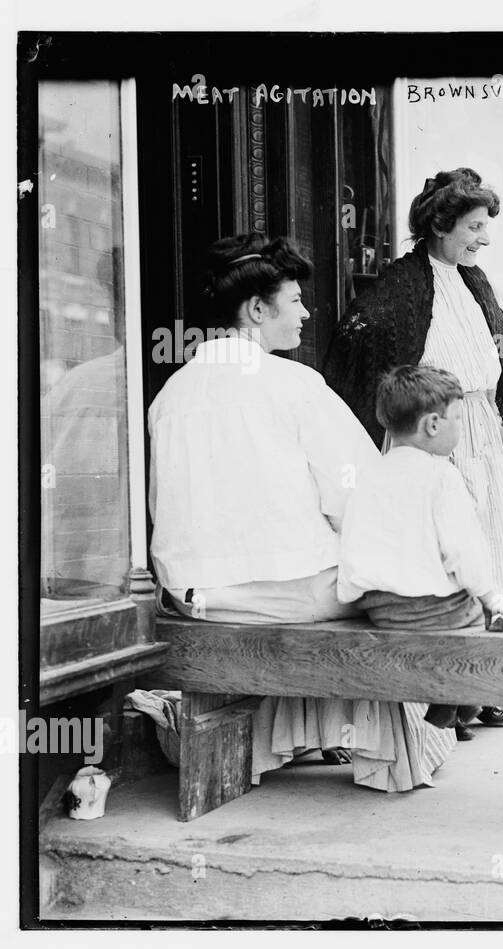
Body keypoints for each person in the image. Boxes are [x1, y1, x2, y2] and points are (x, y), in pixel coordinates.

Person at [148, 233, 451, 793]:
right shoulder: (295, 384)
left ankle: (296, 733)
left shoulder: (171, 394)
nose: (307, 313)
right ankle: (402, 733)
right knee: (407, 571)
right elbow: (360, 498)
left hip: (197, 596)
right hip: (294, 593)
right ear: (257, 310)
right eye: (294, 300)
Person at [324, 167, 503, 733]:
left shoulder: (475, 284)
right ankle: (447, 691)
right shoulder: (402, 287)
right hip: (433, 438)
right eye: (475, 226)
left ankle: (488, 683)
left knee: (486, 545)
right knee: (446, 551)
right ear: (441, 225)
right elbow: (363, 350)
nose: (484, 238)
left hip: (476, 431)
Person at [337, 365, 503, 738]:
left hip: (378, 606)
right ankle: (456, 704)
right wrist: (492, 597)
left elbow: (352, 540)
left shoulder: (368, 474)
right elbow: (464, 553)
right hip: (434, 610)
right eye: (458, 418)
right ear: (433, 425)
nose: (461, 427)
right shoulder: (441, 477)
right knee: (481, 620)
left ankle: (453, 706)